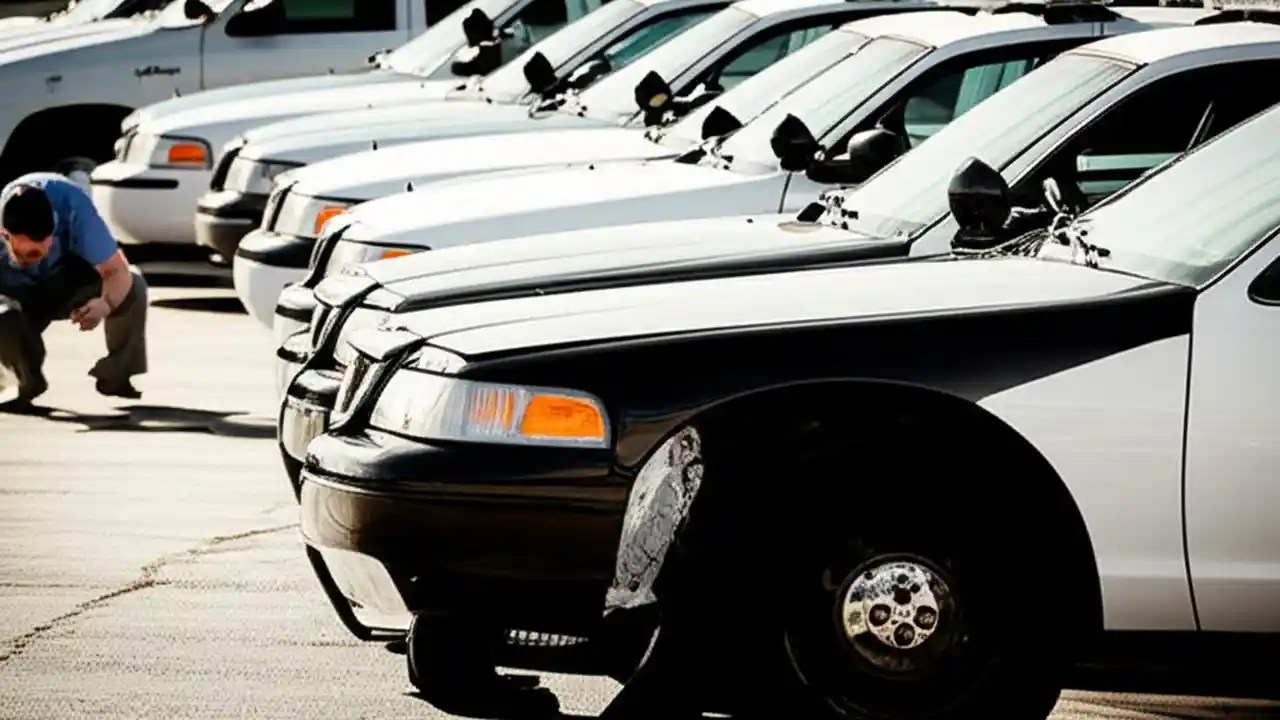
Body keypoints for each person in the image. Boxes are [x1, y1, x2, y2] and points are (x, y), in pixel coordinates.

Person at [0, 173, 148, 406]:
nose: (36, 258)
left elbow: (117, 270)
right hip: (17, 297)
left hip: (67, 282)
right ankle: (25, 377)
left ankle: (117, 374)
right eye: (27, 254)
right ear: (5, 235)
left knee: (134, 284)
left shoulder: (74, 207)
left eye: (43, 248)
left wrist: (105, 303)